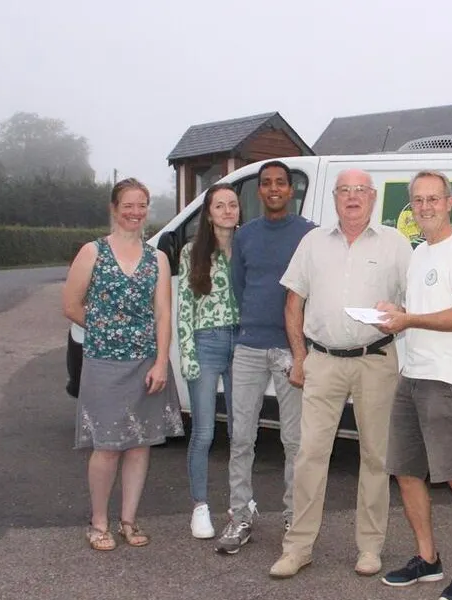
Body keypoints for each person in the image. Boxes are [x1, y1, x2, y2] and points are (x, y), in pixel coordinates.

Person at [268, 168, 413, 579]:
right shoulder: (312, 243)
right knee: (310, 454)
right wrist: (300, 358)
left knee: (376, 456)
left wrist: (400, 313)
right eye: (344, 190)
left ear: (373, 197)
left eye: (360, 190)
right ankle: (298, 548)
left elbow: (414, 304)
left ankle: (370, 548)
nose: (352, 197)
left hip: (376, 360)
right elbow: (293, 304)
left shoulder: (396, 244)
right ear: (334, 198)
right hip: (323, 361)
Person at [375, 170, 452, 600]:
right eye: (418, 200)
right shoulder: (420, 252)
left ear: (449, 203)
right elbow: (424, 310)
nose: (425, 207)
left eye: (433, 199)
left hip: (450, 380)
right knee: (406, 472)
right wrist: (396, 312)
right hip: (414, 374)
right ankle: (427, 559)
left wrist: (409, 319)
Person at [62, 177, 184, 551]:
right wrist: (106, 330)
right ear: (114, 209)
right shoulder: (93, 252)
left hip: (145, 363)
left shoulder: (157, 258)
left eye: (141, 205)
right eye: (128, 205)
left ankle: (129, 520)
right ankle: (98, 522)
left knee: (139, 445)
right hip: (103, 364)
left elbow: (163, 315)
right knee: (107, 446)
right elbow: (71, 305)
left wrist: (161, 362)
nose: (135, 212)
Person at [215, 160, 317, 555]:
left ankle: (294, 518)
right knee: (241, 437)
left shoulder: (308, 234)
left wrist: (300, 347)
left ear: (291, 190)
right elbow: (240, 287)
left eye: (280, 183)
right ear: (259, 191)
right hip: (250, 347)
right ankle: (240, 516)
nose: (274, 189)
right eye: (267, 183)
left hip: (292, 348)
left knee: (294, 441)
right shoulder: (246, 235)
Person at [177, 183, 241, 539]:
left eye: (233, 204)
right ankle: (200, 507)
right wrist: (188, 353)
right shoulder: (192, 251)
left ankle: (240, 503)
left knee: (240, 430)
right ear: (209, 213)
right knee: (204, 431)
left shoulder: (246, 246)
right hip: (207, 341)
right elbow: (184, 306)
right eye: (220, 206)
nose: (228, 211)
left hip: (242, 342)